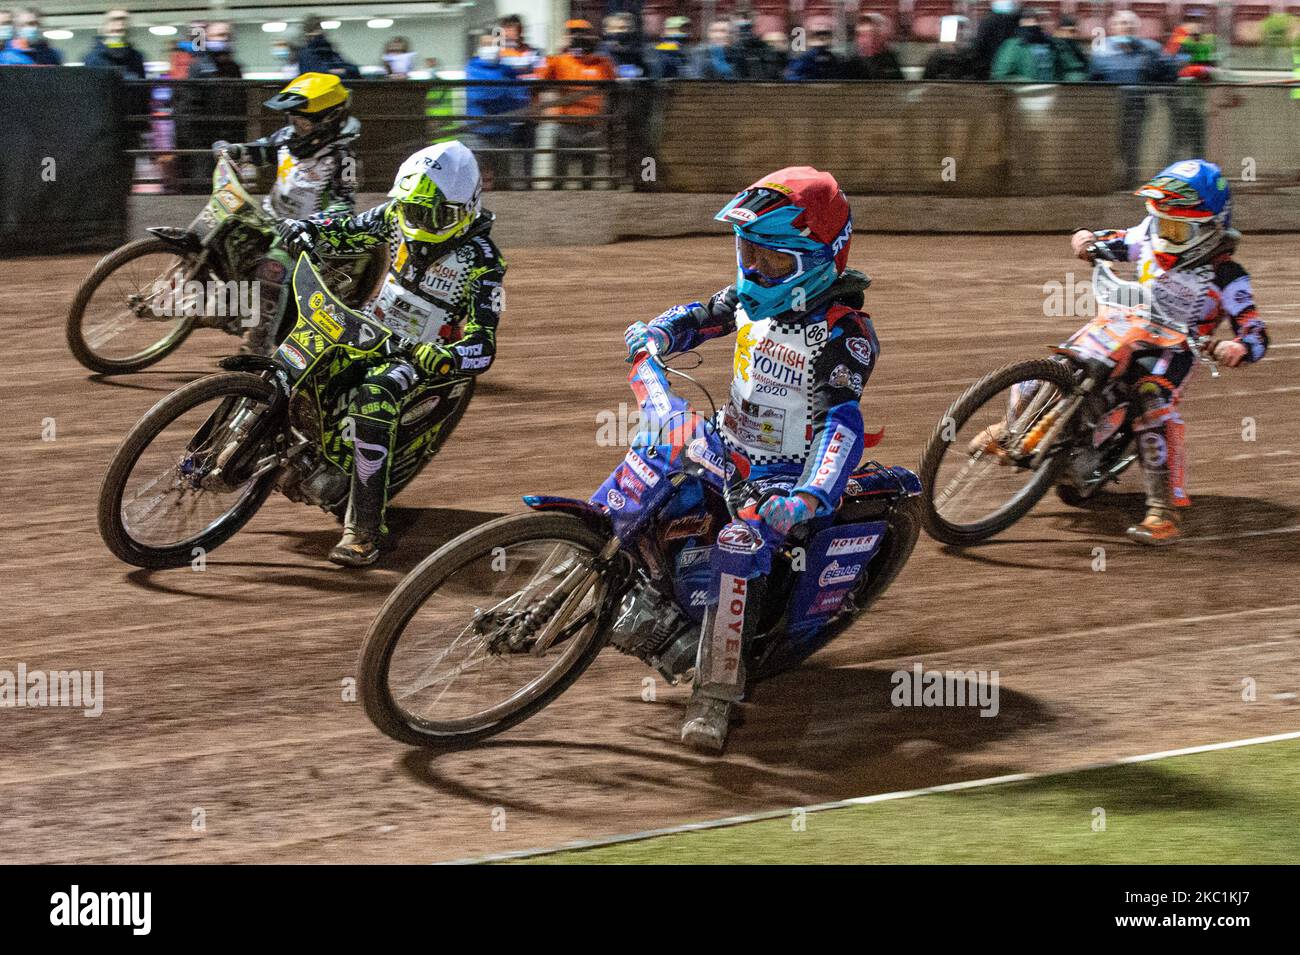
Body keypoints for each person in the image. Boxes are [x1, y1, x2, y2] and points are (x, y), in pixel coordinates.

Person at [623, 167, 879, 750]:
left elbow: (843, 421)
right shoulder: (746, 296)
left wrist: (809, 495)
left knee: (741, 545)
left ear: (821, 260)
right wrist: (658, 335)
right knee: (651, 465)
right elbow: (700, 316)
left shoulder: (845, 332)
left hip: (787, 475)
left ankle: (714, 695)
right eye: (749, 252)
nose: (756, 269)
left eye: (774, 260)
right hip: (726, 441)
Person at [277, 142, 506, 566]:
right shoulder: (394, 216)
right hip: (370, 329)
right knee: (299, 355)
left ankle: (364, 530)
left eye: (437, 216)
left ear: (467, 207)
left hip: (421, 356)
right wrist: (307, 227)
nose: (420, 224)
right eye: (414, 211)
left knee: (374, 397)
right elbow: (346, 227)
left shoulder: (482, 262)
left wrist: (441, 357)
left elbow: (483, 347)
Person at [1067, 160, 1267, 544]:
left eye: (1175, 228)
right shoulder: (1150, 233)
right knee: (1074, 360)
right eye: (1160, 222)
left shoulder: (1229, 275)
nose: (1162, 233)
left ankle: (1163, 511)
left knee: (1150, 395)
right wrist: (1090, 240)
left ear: (1209, 230)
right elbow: (1120, 240)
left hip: (1176, 350)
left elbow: (1256, 333)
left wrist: (1239, 346)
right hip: (1129, 326)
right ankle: (1020, 429)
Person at [213, 72, 360, 353]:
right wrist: (234, 150)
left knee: (273, 269)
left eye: (303, 120)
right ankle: (227, 305)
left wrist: (310, 225)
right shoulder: (288, 136)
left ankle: (259, 344)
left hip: (305, 236)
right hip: (271, 217)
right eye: (292, 118)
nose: (296, 125)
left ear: (327, 119)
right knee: (226, 235)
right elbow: (263, 150)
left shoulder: (345, 157)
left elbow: (345, 206)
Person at [1089, 11, 1177, 188]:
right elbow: (1092, 79)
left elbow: (1169, 72)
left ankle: (1129, 182)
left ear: (1137, 28)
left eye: (1130, 23)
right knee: (1108, 145)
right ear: (1113, 27)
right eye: (1121, 23)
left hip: (1137, 107)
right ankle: (1106, 182)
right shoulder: (1100, 50)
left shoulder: (1151, 48)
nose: (1126, 26)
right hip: (1108, 110)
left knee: (1132, 145)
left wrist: (1155, 88)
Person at [535, 20, 616, 189]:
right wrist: (558, 49)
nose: (578, 36)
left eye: (582, 32)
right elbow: (539, 80)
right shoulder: (559, 60)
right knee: (559, 179)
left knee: (588, 180)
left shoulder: (603, 62)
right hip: (565, 126)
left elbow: (614, 87)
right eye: (573, 32)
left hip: (592, 127)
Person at [465, 32, 533, 189]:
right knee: (475, 180)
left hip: (503, 132)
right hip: (478, 133)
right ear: (479, 47)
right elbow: (479, 95)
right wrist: (505, 92)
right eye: (486, 44)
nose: (491, 48)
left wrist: (496, 92)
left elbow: (520, 97)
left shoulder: (507, 69)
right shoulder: (472, 68)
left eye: (495, 44)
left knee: (504, 179)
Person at [990, 8, 1087, 81]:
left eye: (1043, 20)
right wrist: (1029, 84)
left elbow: (1073, 69)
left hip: (1056, 98)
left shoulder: (1056, 44)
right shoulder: (1012, 47)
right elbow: (1000, 75)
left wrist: (1068, 82)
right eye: (1032, 20)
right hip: (1022, 101)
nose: (1039, 24)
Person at [84, 9, 145, 78]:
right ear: (103, 29)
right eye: (114, 21)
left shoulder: (137, 57)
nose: (119, 25)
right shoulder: (92, 59)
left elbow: (142, 86)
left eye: (121, 30)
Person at [296, 13, 360, 79]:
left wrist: (334, 71)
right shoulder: (306, 53)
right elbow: (314, 73)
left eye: (319, 28)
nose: (320, 32)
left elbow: (353, 69)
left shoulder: (329, 49)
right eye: (316, 29)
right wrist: (341, 71)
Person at [969, 0, 1021, 80]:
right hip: (1012, 73)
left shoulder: (987, 21)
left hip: (989, 71)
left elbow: (979, 47)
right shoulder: (1016, 21)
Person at [845, 13, 904, 80]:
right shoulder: (851, 64)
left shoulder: (889, 60)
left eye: (868, 34)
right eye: (860, 35)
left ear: (878, 35)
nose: (863, 40)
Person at [922, 15, 976, 80]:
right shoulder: (935, 58)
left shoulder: (972, 57)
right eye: (956, 28)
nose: (959, 32)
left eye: (961, 28)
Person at [601, 12, 647, 78]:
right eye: (614, 28)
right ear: (606, 31)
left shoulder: (641, 53)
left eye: (628, 28)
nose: (624, 31)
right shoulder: (600, 55)